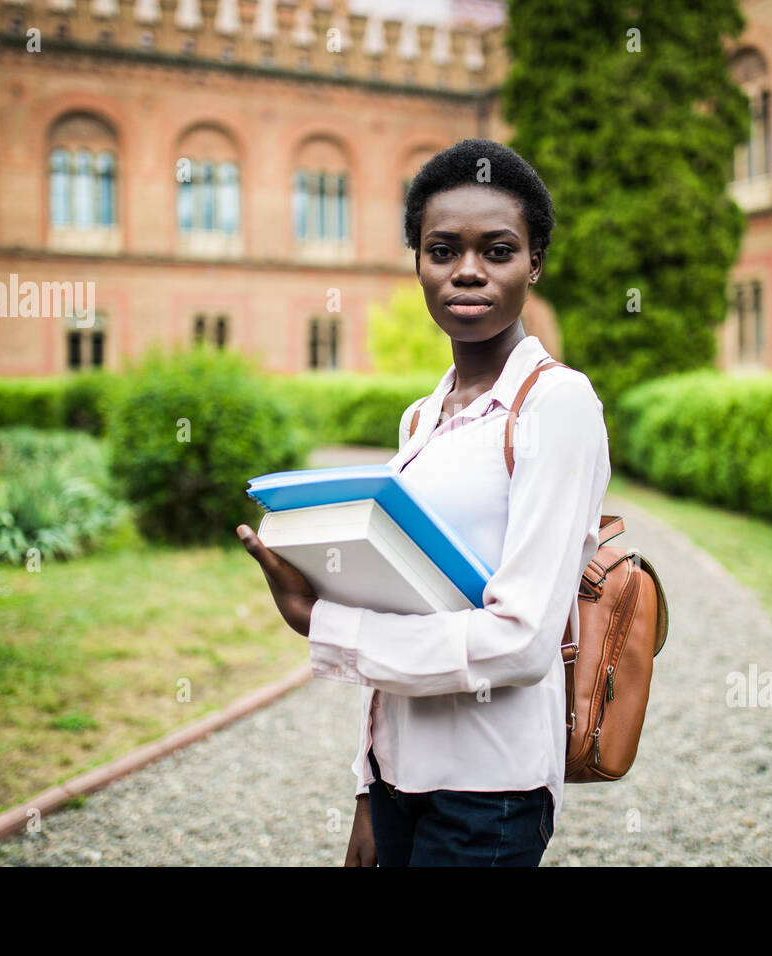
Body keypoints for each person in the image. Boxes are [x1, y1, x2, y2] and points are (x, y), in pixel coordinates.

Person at [236, 138, 611, 866]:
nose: (467, 270)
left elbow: (524, 640)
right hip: (397, 779)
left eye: (497, 250)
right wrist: (366, 788)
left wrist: (323, 622)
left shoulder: (558, 405)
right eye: (442, 250)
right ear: (418, 262)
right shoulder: (420, 419)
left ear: (534, 263)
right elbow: (401, 607)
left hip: (490, 793)